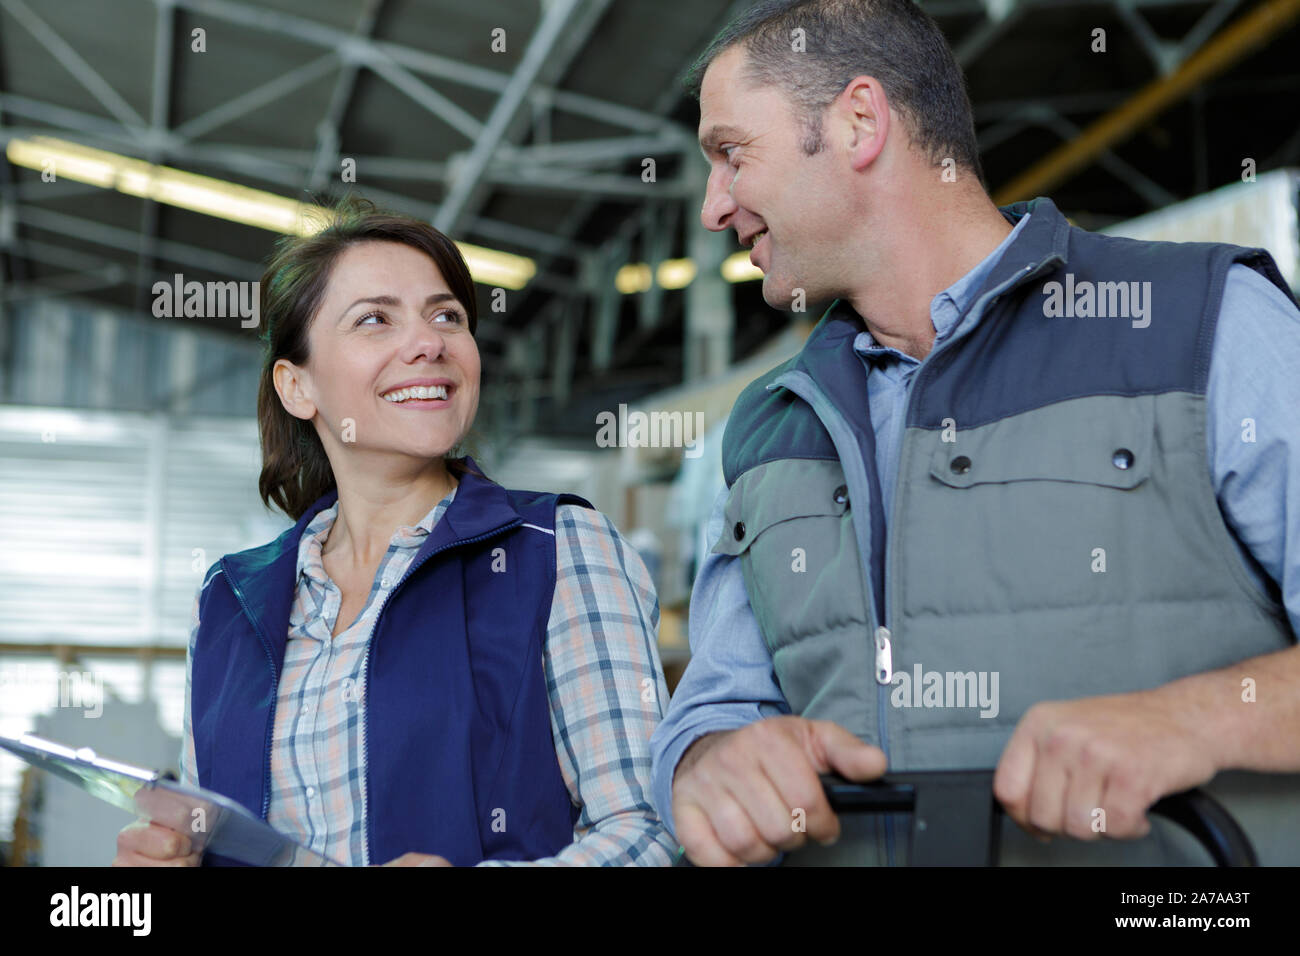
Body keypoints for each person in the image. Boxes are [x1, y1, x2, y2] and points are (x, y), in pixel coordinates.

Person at [650, 0, 1300, 866]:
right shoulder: (769, 424)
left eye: (731, 155)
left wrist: (1194, 718)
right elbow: (717, 703)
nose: (712, 208)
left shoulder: (1209, 324)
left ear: (857, 122)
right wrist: (708, 759)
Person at [114, 196, 677, 867]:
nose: (429, 342)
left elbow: (649, 829)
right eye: (374, 320)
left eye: (447, 316)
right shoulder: (228, 601)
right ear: (298, 387)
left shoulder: (557, 547)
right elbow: (224, 837)